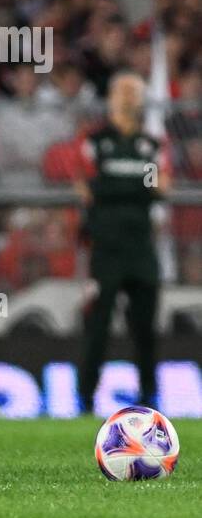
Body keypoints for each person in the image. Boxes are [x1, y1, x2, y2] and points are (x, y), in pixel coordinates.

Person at [76, 72, 171, 411]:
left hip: (141, 247)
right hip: (105, 248)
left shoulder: (151, 145)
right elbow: (85, 187)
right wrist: (136, 189)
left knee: (145, 326)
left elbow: (162, 187)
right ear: (112, 98)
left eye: (135, 92)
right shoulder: (96, 141)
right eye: (123, 92)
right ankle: (86, 396)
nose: (129, 98)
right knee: (98, 325)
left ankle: (149, 394)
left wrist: (111, 188)